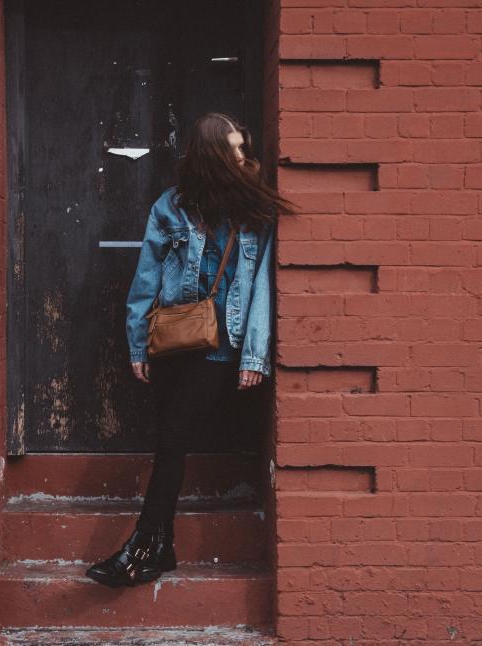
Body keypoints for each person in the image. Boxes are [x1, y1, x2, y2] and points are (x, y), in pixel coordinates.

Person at [85, 112, 299, 588]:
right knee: (170, 439)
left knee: (174, 436)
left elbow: (263, 284)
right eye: (236, 149)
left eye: (245, 147)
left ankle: (142, 545)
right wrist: (137, 342)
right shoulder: (172, 207)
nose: (245, 157)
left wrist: (254, 356)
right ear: (214, 155)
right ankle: (162, 547)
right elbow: (146, 277)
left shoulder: (253, 211)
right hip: (172, 342)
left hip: (221, 345)